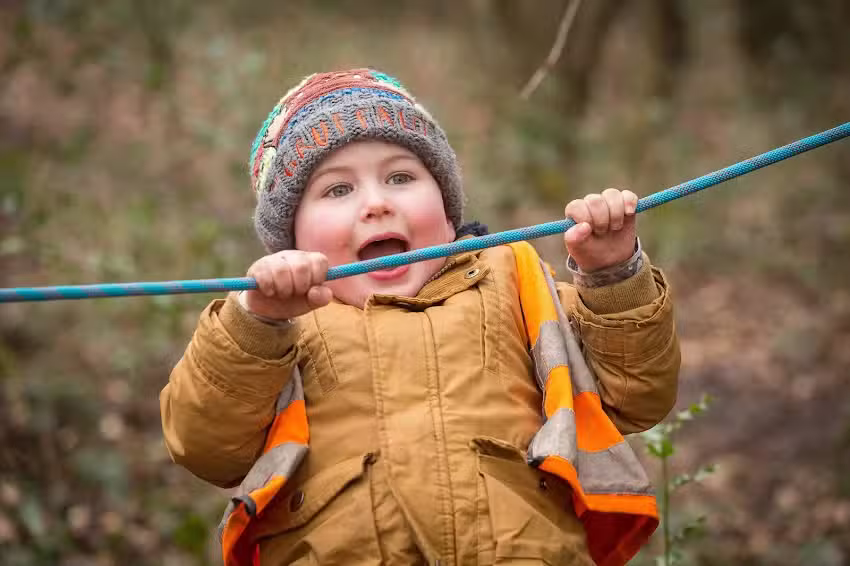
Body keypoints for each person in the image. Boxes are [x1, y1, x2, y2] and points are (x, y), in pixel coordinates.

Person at [160, 68, 680, 566]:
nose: (377, 204)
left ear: (449, 212)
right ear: (291, 239)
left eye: (401, 177)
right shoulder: (278, 333)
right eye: (338, 190)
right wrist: (256, 323)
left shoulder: (515, 282)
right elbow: (207, 449)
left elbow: (635, 396)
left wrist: (613, 274)